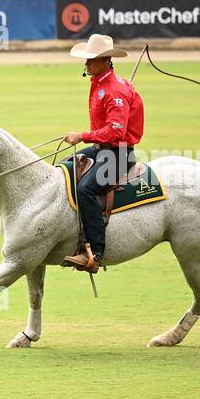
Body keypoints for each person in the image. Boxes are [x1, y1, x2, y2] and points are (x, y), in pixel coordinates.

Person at [61, 33, 145, 273]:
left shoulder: (113, 90)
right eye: (86, 59)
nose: (86, 64)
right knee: (67, 166)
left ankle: (94, 253)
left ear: (106, 60)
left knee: (86, 189)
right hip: (102, 149)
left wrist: (81, 136)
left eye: (91, 59)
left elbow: (116, 132)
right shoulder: (103, 84)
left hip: (119, 154)